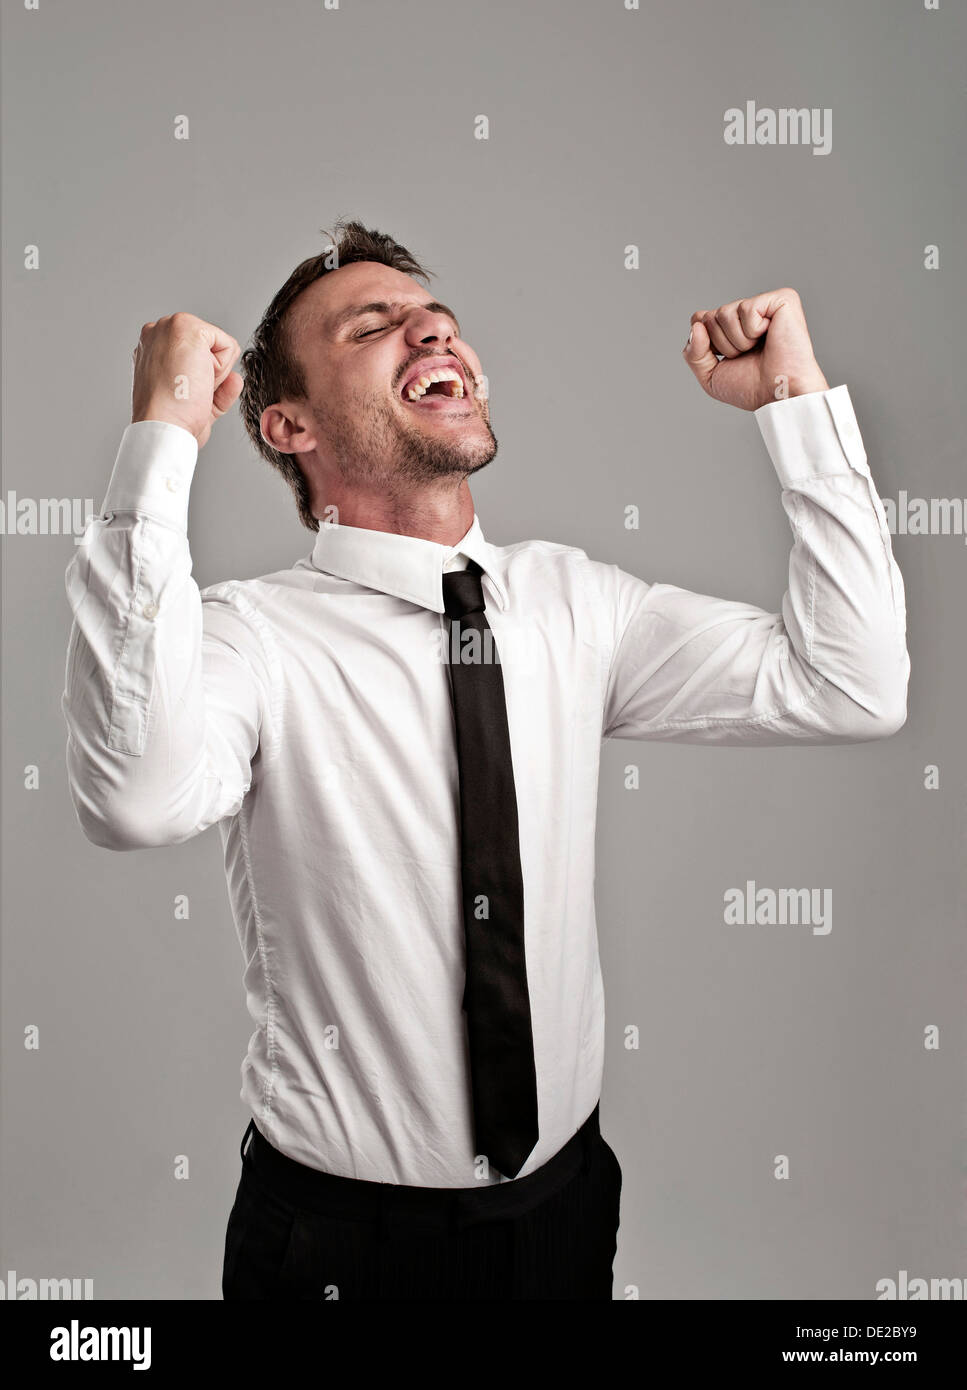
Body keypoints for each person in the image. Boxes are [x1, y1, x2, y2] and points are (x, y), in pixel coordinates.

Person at [61, 219, 909, 1301]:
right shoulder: (249, 639)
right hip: (336, 1249)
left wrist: (793, 397)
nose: (430, 332)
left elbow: (853, 683)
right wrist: (161, 441)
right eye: (375, 327)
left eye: (437, 320)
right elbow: (130, 798)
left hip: (562, 1211)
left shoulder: (577, 603)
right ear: (287, 425)